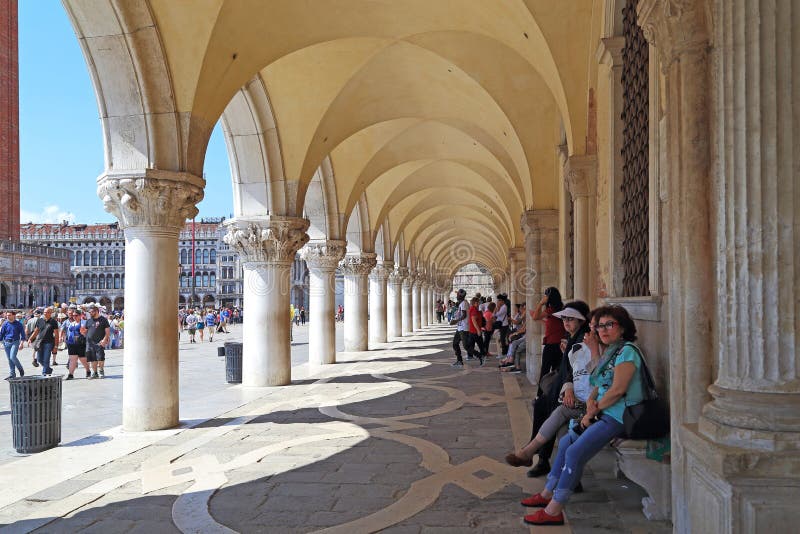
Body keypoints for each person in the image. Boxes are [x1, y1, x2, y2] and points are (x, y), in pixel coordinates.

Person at [520, 305, 645, 526]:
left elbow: (617, 390)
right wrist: (590, 404)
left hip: (619, 416)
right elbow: (597, 381)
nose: (602, 330)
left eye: (609, 325)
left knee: (575, 452)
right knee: (567, 441)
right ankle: (548, 492)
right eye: (599, 326)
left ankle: (554, 509)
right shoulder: (611, 351)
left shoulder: (627, 351)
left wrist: (592, 412)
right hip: (604, 412)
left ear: (623, 327)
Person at [504, 304, 595, 468]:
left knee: (549, 410)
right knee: (546, 409)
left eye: (571, 319)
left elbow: (584, 371)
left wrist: (568, 386)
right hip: (567, 389)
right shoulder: (572, 336)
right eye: (564, 318)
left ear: (582, 321)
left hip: (578, 394)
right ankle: (546, 460)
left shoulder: (584, 339)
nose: (566, 322)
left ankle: (540, 457)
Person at [529, 287, 567, 391]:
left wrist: (540, 304)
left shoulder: (551, 310)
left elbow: (535, 317)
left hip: (551, 345)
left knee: (545, 371)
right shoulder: (559, 309)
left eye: (546, 296)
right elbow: (551, 323)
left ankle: (540, 395)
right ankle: (553, 394)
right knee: (556, 371)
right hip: (559, 344)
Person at [27, 307, 59, 376]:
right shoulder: (40, 320)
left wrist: (56, 346)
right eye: (44, 312)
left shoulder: (53, 322)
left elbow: (56, 335)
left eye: (47, 312)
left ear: (50, 313)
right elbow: (36, 331)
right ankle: (48, 369)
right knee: (39, 359)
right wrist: (30, 338)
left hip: (49, 343)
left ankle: (44, 373)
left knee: (46, 359)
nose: (45, 313)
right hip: (40, 343)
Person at [82, 303, 111, 379]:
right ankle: (95, 373)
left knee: (100, 358)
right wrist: (83, 332)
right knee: (92, 359)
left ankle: (101, 370)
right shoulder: (88, 321)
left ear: (96, 311)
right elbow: (85, 331)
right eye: (90, 312)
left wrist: (105, 339)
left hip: (99, 342)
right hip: (90, 343)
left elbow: (107, 331)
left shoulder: (103, 320)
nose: (90, 313)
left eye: (91, 312)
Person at [62, 308, 90, 380]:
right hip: (71, 343)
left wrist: (84, 333)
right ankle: (70, 374)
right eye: (73, 315)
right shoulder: (71, 323)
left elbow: (88, 332)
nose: (74, 317)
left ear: (80, 315)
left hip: (81, 343)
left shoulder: (84, 322)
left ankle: (88, 370)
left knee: (82, 359)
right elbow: (68, 332)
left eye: (76, 315)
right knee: (72, 359)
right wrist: (65, 339)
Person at [450, 289, 472, 367]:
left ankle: (480, 355)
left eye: (458, 295)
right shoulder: (463, 303)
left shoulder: (463, 303)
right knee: (455, 344)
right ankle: (459, 360)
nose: (456, 296)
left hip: (463, 328)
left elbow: (464, 315)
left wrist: (455, 321)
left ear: (460, 296)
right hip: (460, 327)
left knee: (466, 346)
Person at [1, 311, 25, 379]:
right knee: (10, 359)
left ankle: (20, 369)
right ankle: (12, 374)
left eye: (9, 315)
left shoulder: (18, 324)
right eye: (7, 315)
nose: (8, 316)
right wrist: (1, 342)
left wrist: (22, 343)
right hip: (6, 343)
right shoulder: (5, 324)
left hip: (15, 342)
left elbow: (23, 335)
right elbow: (1, 334)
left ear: (14, 316)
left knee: (12, 357)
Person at [467, 296, 485, 366]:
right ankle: (482, 355)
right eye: (477, 302)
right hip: (474, 331)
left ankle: (470, 356)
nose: (479, 303)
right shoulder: (474, 309)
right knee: (480, 344)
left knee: (471, 344)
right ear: (475, 302)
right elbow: (474, 320)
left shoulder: (475, 309)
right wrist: (478, 330)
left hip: (472, 330)